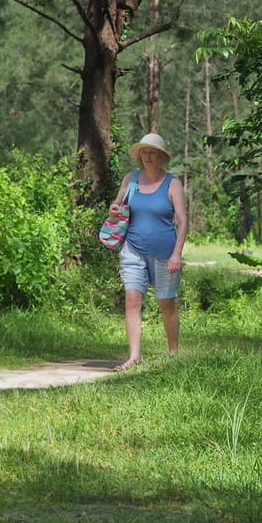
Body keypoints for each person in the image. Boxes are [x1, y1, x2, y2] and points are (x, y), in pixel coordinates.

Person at [109, 133, 187, 372]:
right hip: (132, 250)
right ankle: (134, 357)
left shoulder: (172, 183)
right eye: (144, 152)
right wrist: (113, 210)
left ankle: (173, 353)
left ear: (161, 156)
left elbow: (183, 222)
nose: (147, 156)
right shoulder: (130, 179)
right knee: (132, 299)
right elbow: (117, 208)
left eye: (152, 152)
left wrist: (176, 254)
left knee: (166, 304)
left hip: (165, 253)